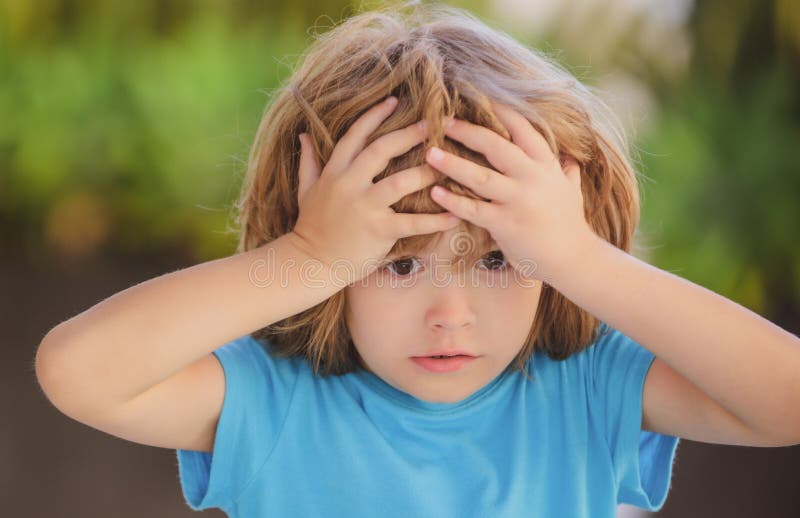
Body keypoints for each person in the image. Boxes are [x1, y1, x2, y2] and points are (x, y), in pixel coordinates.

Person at [33, 2, 800, 517]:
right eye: (399, 266)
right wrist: (305, 256)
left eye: (500, 260)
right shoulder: (273, 406)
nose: (451, 315)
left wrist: (580, 259)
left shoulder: (588, 391)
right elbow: (78, 372)